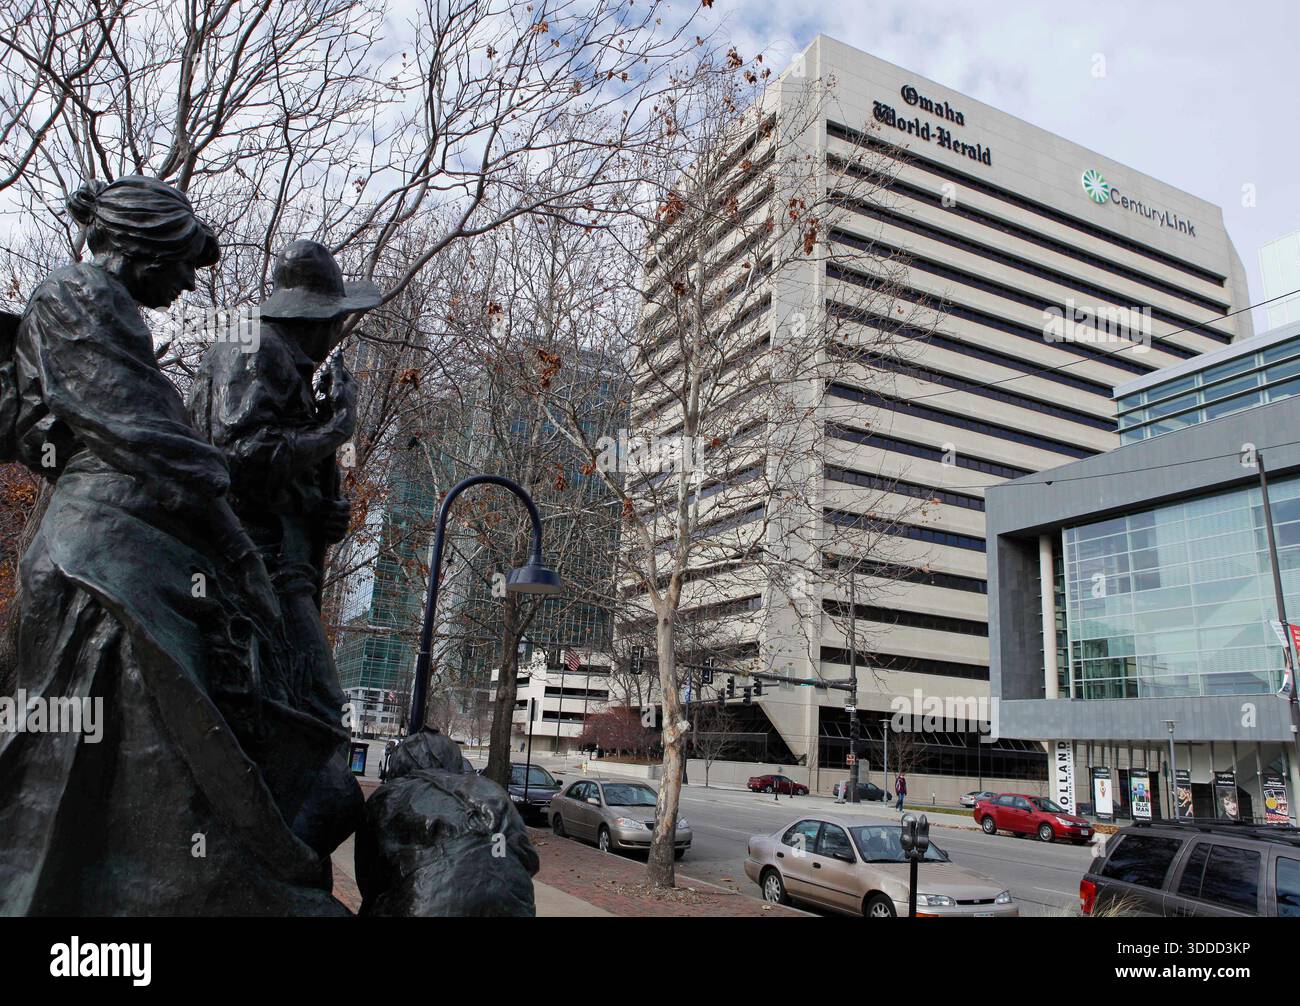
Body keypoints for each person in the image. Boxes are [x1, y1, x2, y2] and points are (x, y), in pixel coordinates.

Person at [0, 177, 344, 915]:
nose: (190, 282)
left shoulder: (104, 306)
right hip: (100, 559)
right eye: (185, 263)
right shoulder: (78, 298)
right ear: (147, 249)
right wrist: (236, 542)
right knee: (120, 739)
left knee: (134, 750)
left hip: (124, 546)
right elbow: (149, 434)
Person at [188, 239, 379, 857]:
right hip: (252, 571)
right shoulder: (255, 351)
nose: (337, 331)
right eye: (334, 318)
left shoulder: (283, 362)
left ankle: (271, 859)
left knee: (302, 707)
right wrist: (337, 428)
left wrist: (324, 509)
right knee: (320, 709)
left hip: (281, 568)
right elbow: (243, 459)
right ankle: (273, 860)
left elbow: (282, 480)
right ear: (313, 317)